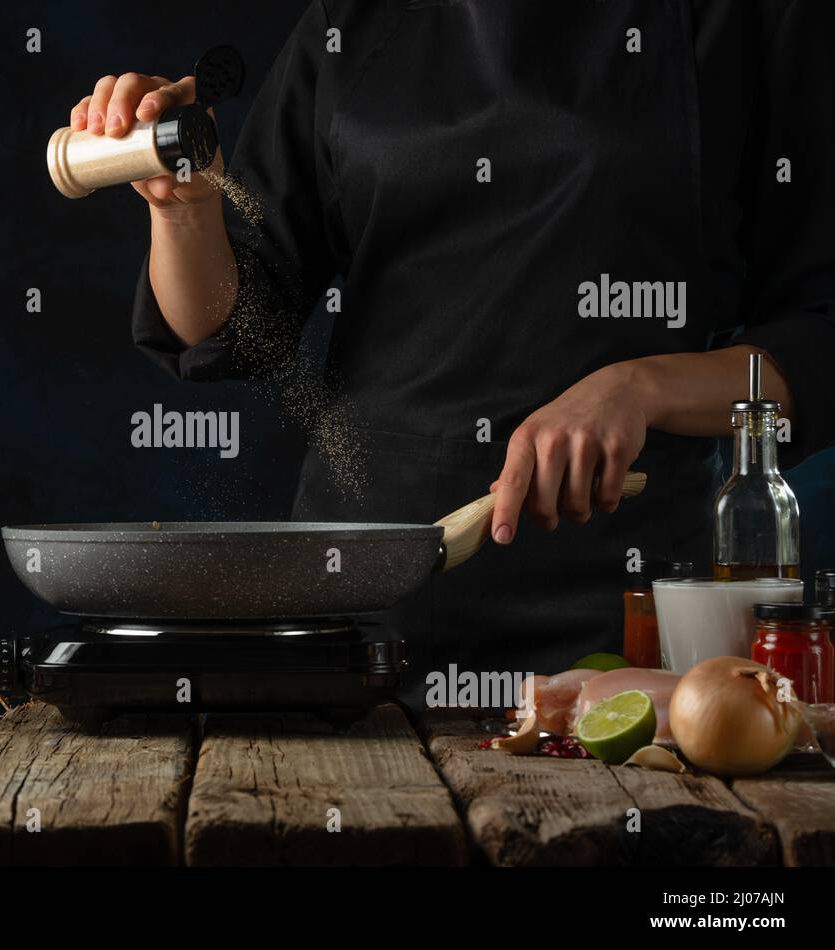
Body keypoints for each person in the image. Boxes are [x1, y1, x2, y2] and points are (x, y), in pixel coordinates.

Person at [69, 0, 835, 693]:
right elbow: (230, 328)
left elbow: (820, 334)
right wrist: (185, 208)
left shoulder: (750, 21)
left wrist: (641, 387)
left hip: (625, 610)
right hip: (362, 599)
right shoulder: (351, 25)